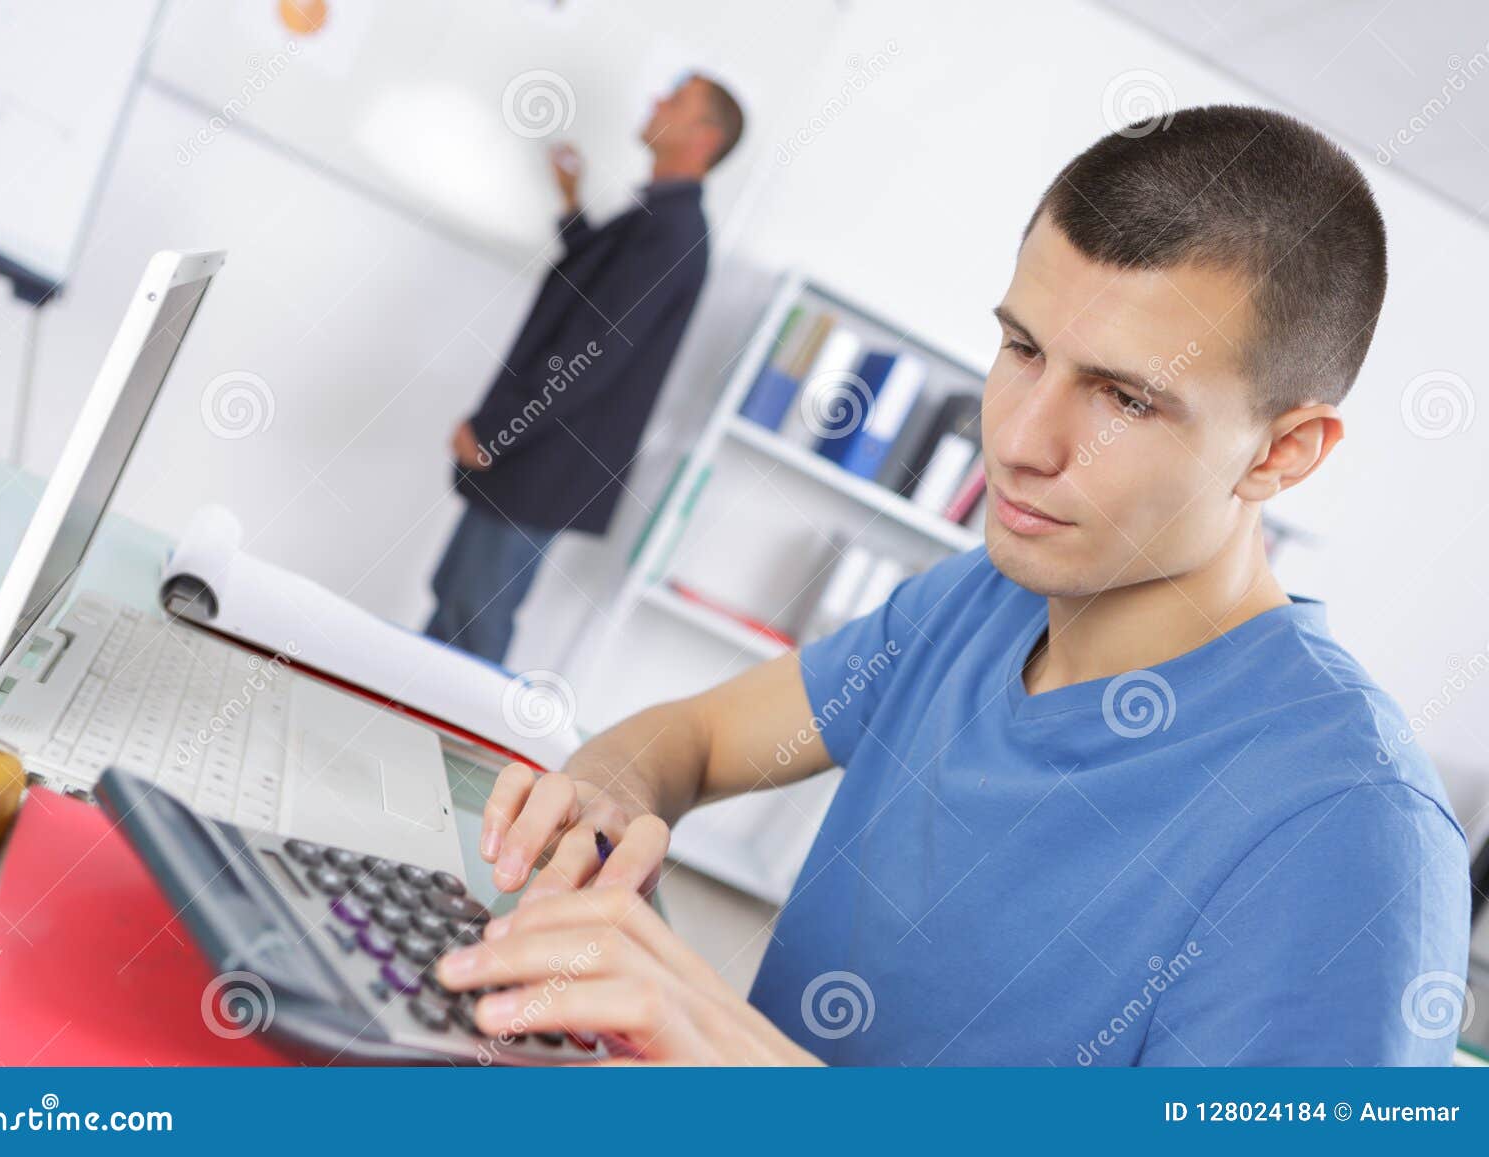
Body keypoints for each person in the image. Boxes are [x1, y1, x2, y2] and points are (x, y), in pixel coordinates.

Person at [432, 105, 1472, 1066]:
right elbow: (694, 739)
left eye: (1125, 398)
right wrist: (609, 800)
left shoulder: (1351, 832)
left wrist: (738, 1061)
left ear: (1282, 455)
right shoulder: (976, 603)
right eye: (1021, 347)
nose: (1017, 442)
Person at [424, 74, 745, 664]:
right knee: (454, 604)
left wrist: (497, 431)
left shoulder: (675, 231)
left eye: (673, 100)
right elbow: (596, 288)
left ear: (703, 138)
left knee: (473, 619)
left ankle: (467, 755)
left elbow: (595, 349)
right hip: (537, 450)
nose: (654, 100)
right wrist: (572, 201)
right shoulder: (658, 217)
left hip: (541, 454)